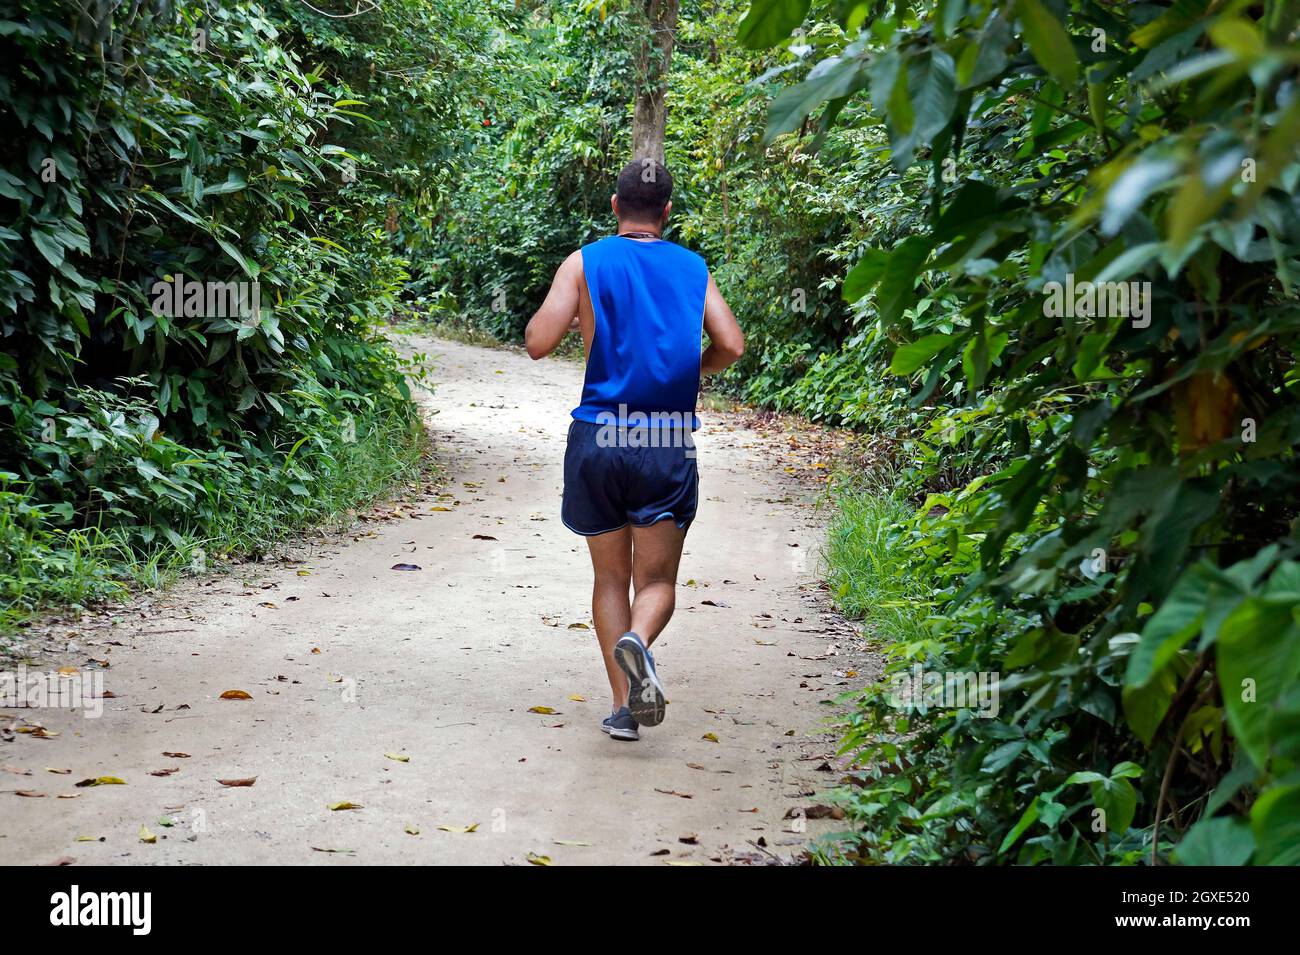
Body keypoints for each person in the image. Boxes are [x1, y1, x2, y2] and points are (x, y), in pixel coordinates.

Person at [524, 158, 744, 742]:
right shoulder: (693, 268)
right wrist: (693, 371)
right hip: (665, 439)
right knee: (658, 583)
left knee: (608, 581)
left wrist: (579, 313)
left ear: (616, 207)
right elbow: (732, 343)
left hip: (599, 436)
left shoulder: (585, 261)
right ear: (668, 212)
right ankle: (638, 643)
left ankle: (624, 709)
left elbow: (537, 344)